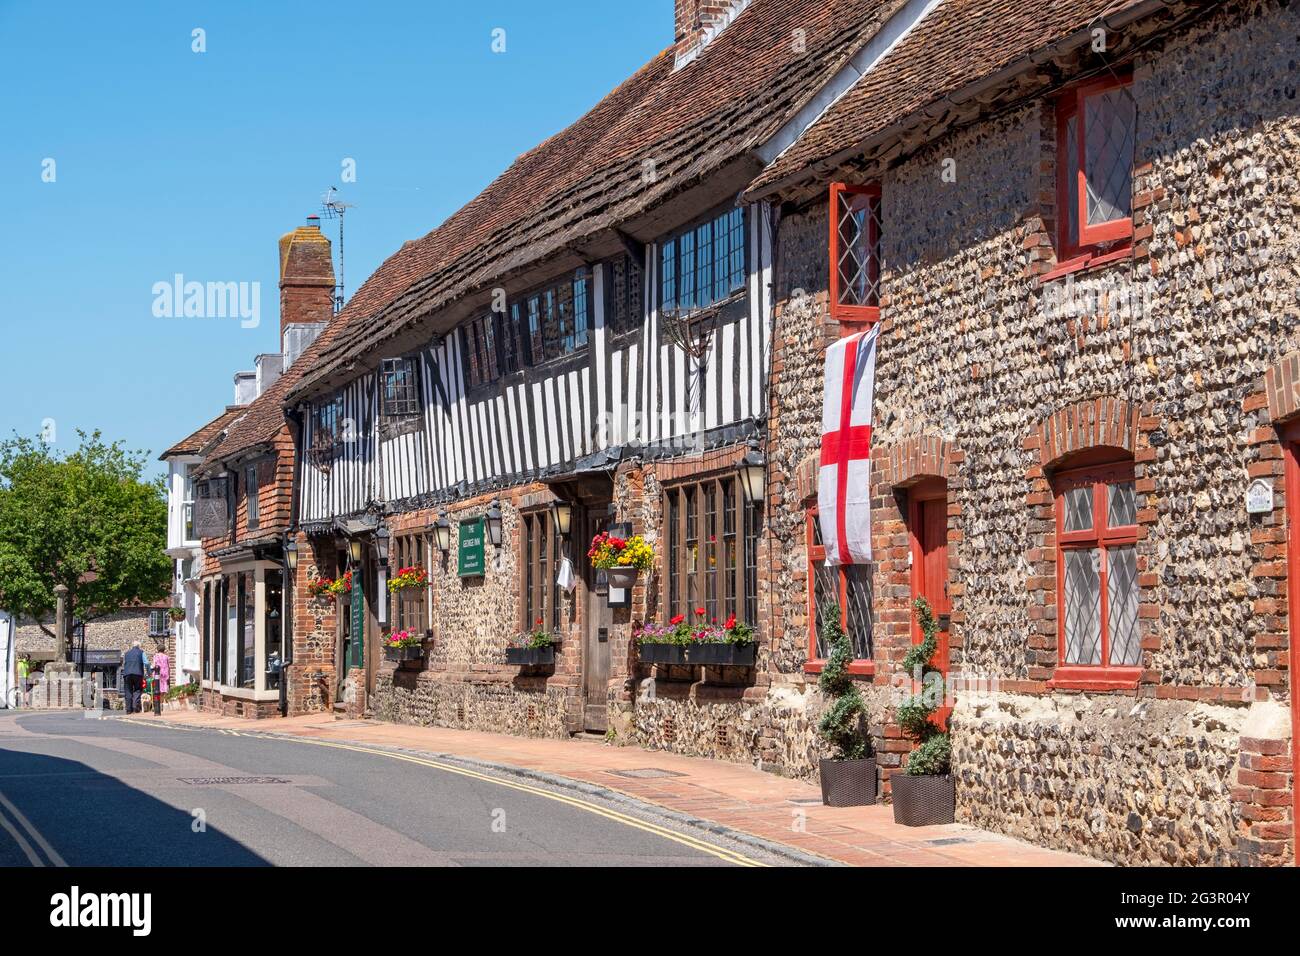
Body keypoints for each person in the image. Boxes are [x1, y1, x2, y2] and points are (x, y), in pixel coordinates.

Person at [122, 641, 147, 714]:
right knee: (137, 689)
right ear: (139, 646)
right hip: (138, 674)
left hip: (127, 674)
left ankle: (129, 709)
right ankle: (135, 707)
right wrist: (149, 672)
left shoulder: (126, 653)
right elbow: (147, 663)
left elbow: (124, 663)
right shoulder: (141, 652)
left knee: (128, 691)